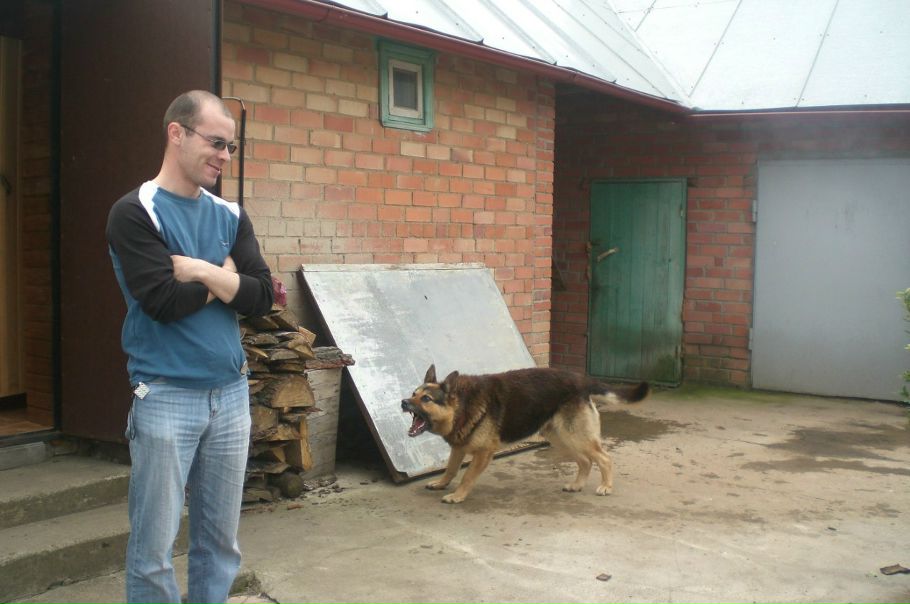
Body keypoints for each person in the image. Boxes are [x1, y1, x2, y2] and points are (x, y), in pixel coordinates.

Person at [106, 90, 273, 604]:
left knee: (219, 545)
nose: (225, 156)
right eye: (216, 143)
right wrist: (226, 278)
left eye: (231, 147)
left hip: (231, 395)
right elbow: (162, 301)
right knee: (154, 551)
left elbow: (262, 298)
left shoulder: (231, 215)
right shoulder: (135, 212)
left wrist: (199, 270)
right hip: (165, 397)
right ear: (176, 134)